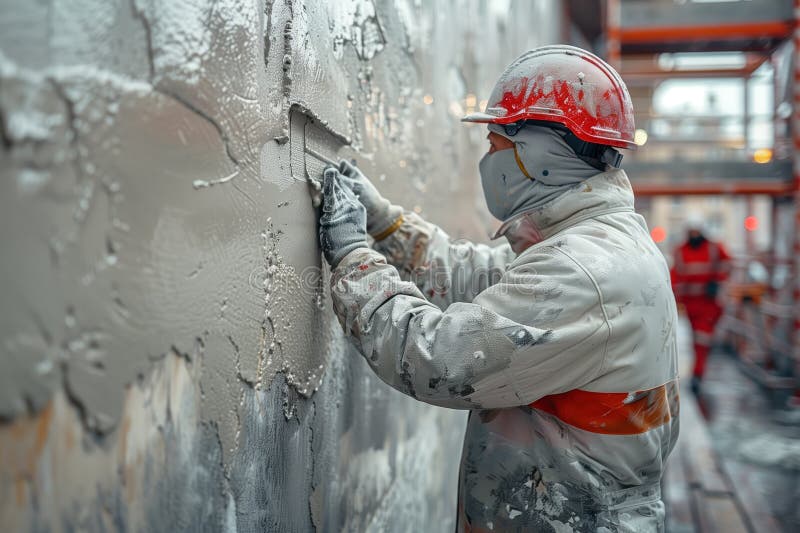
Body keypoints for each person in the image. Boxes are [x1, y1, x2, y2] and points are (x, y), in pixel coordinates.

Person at [319, 45, 679, 531]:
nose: (488, 161)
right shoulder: (599, 245)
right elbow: (488, 279)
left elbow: (439, 358)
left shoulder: (585, 272)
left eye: (495, 145)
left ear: (539, 156)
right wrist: (387, 225)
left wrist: (352, 259)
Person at [671, 217, 731, 395]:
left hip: (709, 303)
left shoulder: (714, 248)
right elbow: (675, 276)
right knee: (698, 340)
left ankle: (698, 375)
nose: (694, 235)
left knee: (702, 340)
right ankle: (698, 373)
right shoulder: (680, 251)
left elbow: (727, 264)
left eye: (697, 232)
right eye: (692, 232)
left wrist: (717, 280)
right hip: (691, 305)